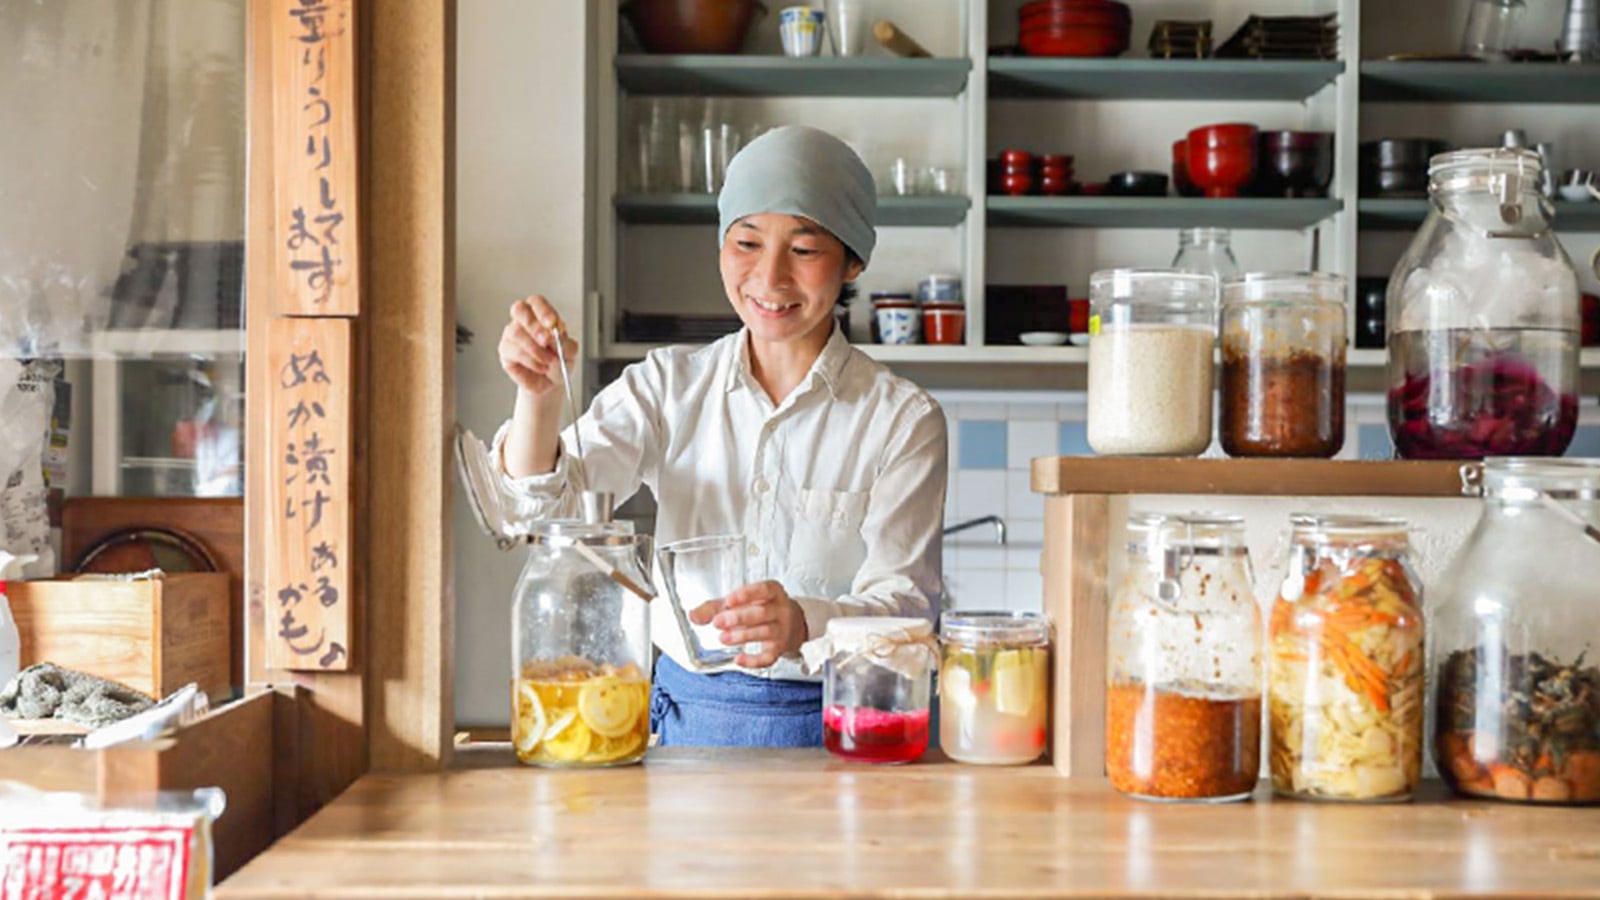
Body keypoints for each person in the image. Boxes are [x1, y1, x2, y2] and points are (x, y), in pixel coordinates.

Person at [491, 125, 946, 747]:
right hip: (687, 723)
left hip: (842, 728)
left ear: (853, 261)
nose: (770, 277)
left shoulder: (902, 419)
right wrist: (538, 399)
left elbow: (908, 609)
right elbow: (541, 515)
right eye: (747, 242)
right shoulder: (666, 386)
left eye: (804, 249)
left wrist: (804, 622)